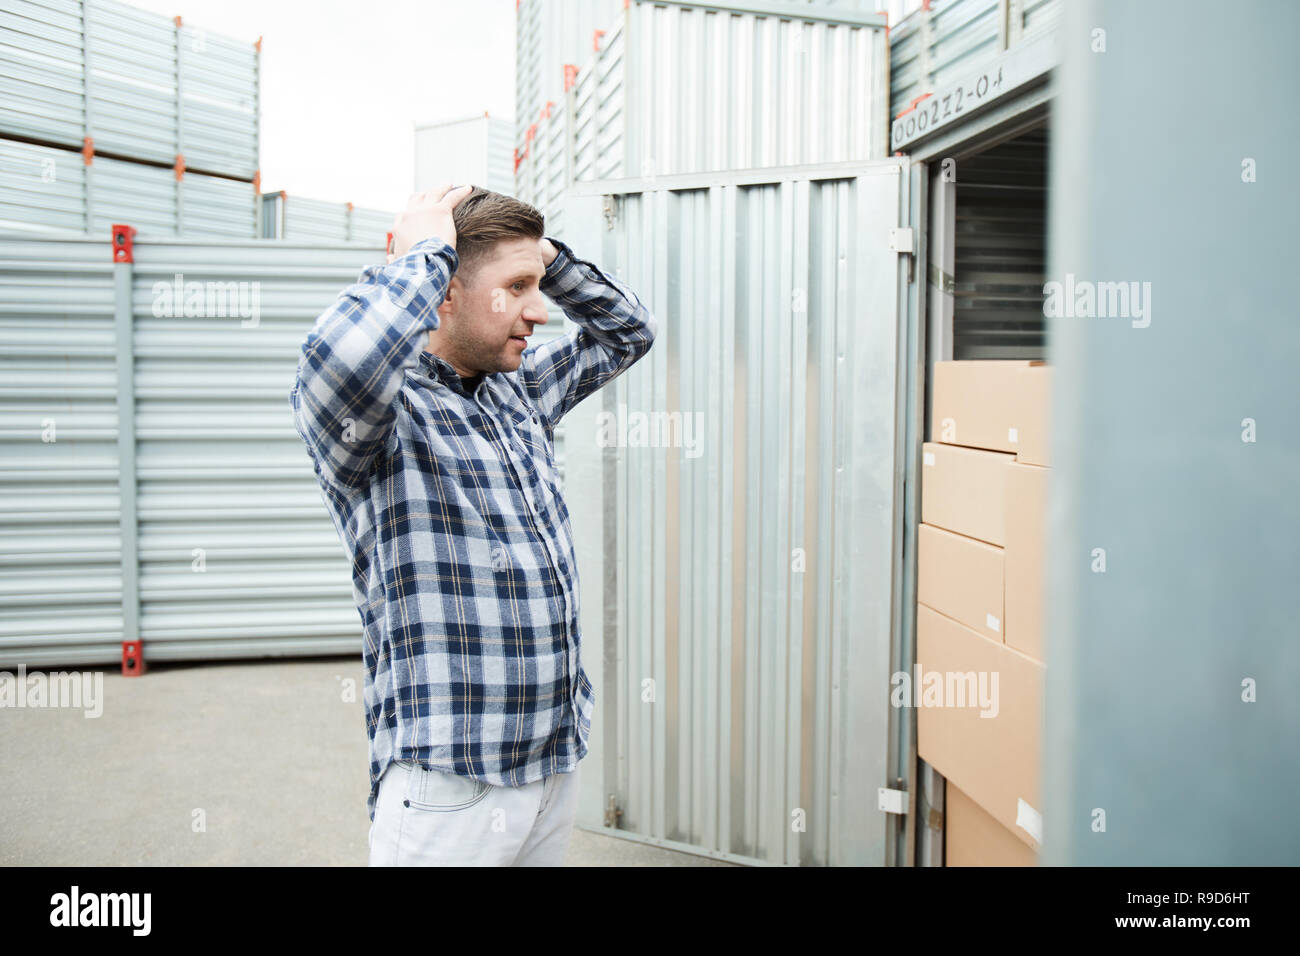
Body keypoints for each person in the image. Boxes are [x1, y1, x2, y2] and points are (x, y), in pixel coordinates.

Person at [289, 183, 656, 865]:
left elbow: (630, 331)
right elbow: (337, 358)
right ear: (446, 294)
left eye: (539, 286)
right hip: (449, 789)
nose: (540, 311)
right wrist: (427, 253)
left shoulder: (514, 391)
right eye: (516, 287)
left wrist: (547, 257)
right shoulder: (381, 419)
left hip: (551, 764)